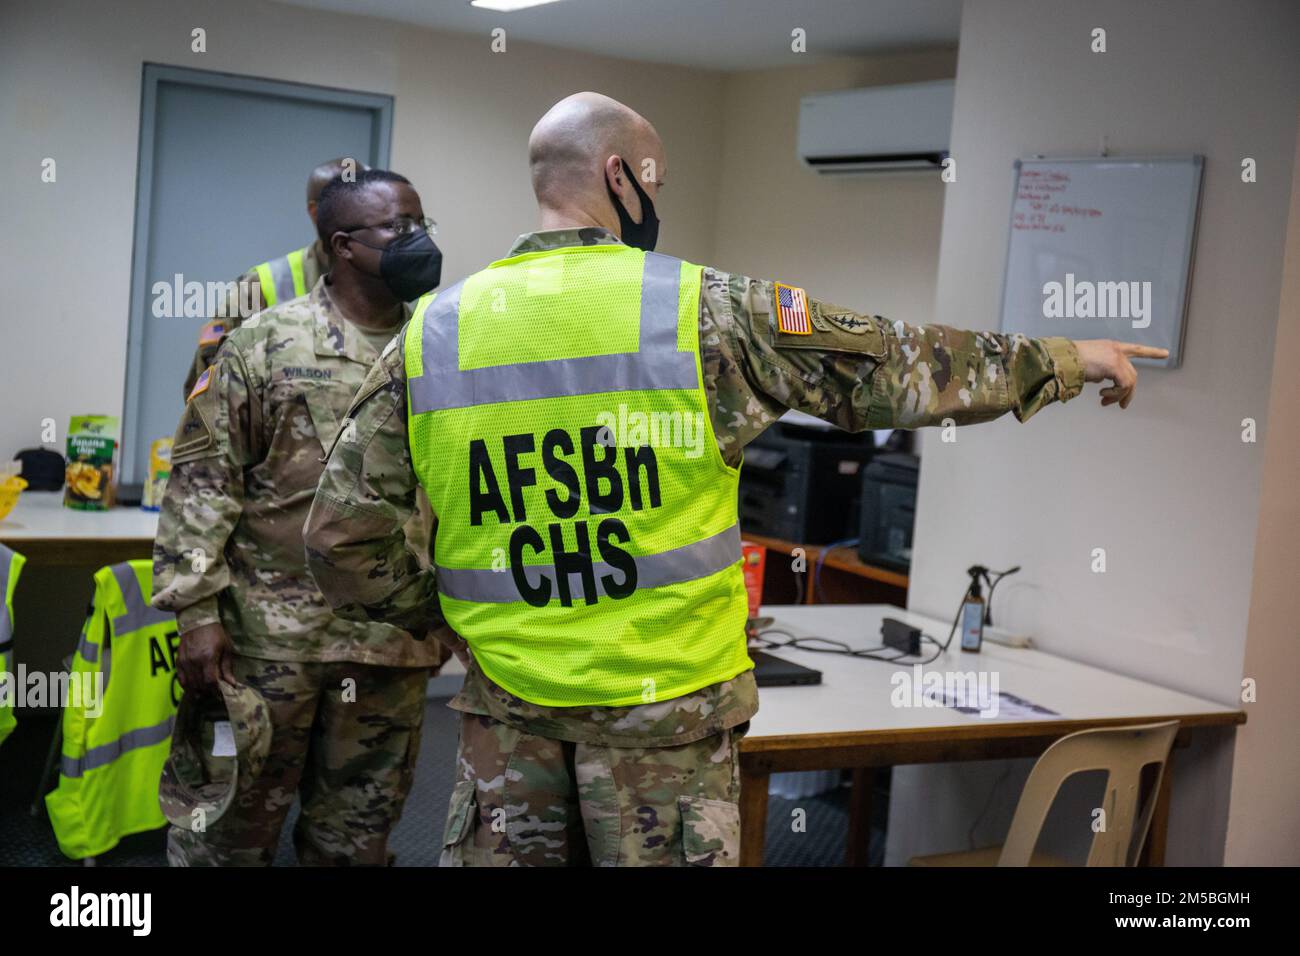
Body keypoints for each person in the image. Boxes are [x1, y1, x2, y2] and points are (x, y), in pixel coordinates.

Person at [302, 92, 1167, 867]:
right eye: (659, 183)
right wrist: (1066, 358)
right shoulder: (704, 310)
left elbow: (340, 540)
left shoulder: (433, 334)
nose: (659, 201)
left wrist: (449, 619)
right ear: (620, 173)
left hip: (507, 717)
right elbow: (899, 366)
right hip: (668, 728)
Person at [151, 168, 446, 865]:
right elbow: (203, 480)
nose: (420, 240)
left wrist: (455, 617)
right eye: (399, 227)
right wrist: (195, 614)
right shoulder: (265, 343)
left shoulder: (444, 349)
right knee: (229, 833)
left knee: (355, 840)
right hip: (268, 643)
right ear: (343, 245)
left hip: (389, 645)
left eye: (423, 223)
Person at [181, 157, 370, 398]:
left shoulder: (391, 285)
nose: (368, 214)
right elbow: (208, 388)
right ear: (316, 212)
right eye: (353, 204)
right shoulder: (260, 285)